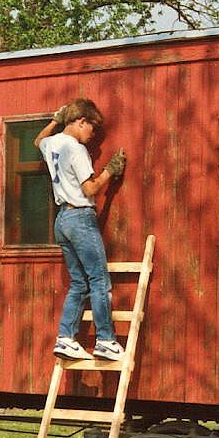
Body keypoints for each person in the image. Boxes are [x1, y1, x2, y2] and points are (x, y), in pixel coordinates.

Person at [34, 98, 128, 361]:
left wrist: (56, 119)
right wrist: (110, 170)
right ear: (80, 121)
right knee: (99, 281)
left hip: (62, 220)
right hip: (81, 217)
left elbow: (37, 141)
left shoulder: (52, 143)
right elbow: (90, 189)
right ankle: (106, 341)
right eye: (91, 127)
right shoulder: (75, 149)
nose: (93, 134)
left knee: (78, 282)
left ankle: (66, 338)